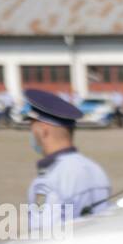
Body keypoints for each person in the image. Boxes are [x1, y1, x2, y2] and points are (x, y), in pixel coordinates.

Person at [23, 88, 111, 234]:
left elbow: (43, 238)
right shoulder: (96, 169)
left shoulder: (49, 180)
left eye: (32, 126)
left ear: (43, 130)